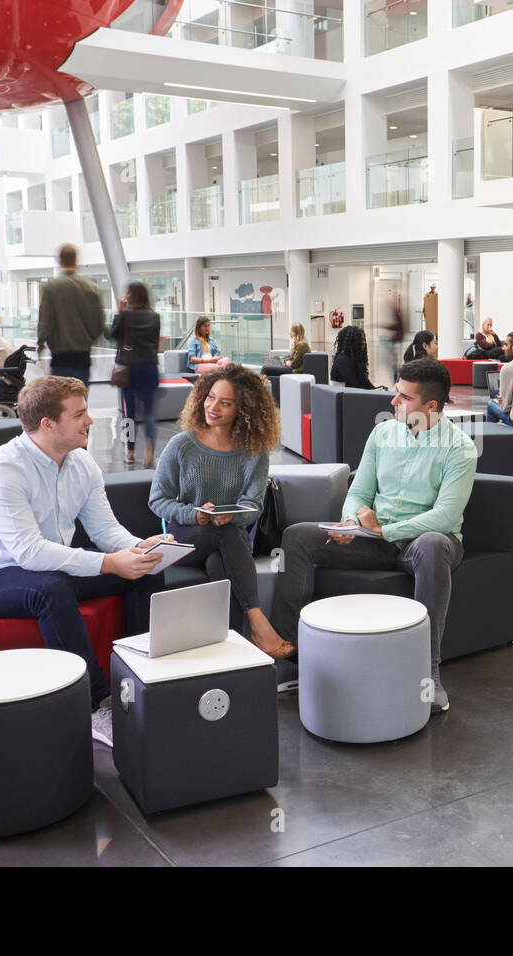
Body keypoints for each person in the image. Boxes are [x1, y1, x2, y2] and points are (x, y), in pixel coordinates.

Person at [0, 376, 171, 748]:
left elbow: (105, 529)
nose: (90, 420)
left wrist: (139, 548)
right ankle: (97, 704)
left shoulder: (81, 463)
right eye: (80, 414)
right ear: (48, 424)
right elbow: (29, 553)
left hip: (51, 570)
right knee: (53, 588)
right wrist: (108, 564)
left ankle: (142, 681)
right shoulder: (3, 469)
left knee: (142, 573)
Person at [275, 358, 477, 712]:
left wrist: (385, 530)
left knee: (432, 545)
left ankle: (427, 671)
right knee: (297, 537)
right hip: (374, 538)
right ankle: (291, 655)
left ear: (430, 406)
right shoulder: (383, 433)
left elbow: (445, 517)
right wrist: (349, 523)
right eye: (396, 393)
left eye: (403, 397)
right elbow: (359, 491)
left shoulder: (459, 448)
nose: (393, 402)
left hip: (424, 542)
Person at [148, 365, 294, 660]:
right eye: (210, 397)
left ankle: (224, 655)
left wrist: (232, 515)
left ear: (243, 410)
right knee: (224, 534)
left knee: (221, 558)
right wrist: (195, 514)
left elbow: (254, 506)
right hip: (186, 537)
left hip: (228, 539)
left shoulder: (253, 451)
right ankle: (258, 623)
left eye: (225, 403)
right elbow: (158, 500)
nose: (213, 407)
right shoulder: (182, 445)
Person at [107, 281, 161, 467]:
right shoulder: (155, 316)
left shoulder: (126, 315)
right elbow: (154, 342)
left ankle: (130, 451)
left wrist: (118, 313)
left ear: (131, 295)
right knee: (149, 413)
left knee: (129, 413)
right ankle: (150, 453)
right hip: (150, 367)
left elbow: (111, 335)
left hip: (128, 368)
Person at [37, 243, 104, 385]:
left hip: (60, 358)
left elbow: (45, 322)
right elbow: (99, 325)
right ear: (76, 261)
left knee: (61, 402)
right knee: (80, 401)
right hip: (83, 357)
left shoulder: (51, 288)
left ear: (60, 261)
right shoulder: (91, 288)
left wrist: (41, 345)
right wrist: (89, 340)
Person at [331, 325, 376, 389]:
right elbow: (354, 387)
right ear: (351, 342)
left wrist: (378, 391)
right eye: (359, 340)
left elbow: (366, 382)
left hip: (353, 395)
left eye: (364, 339)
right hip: (345, 397)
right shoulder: (343, 360)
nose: (364, 342)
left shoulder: (354, 359)